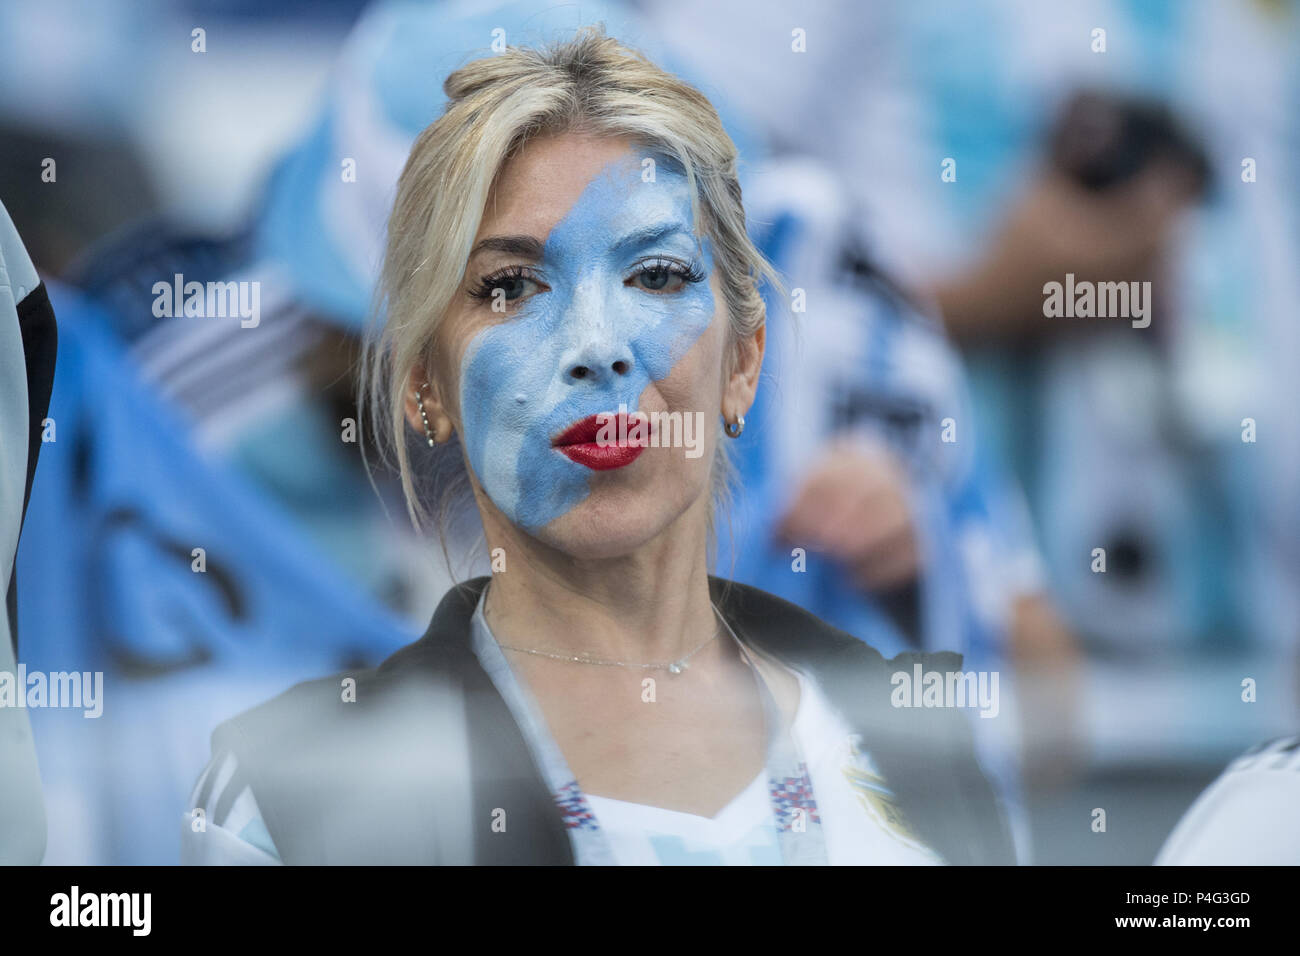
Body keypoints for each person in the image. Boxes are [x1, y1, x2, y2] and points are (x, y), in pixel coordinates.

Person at [183, 27, 1014, 866]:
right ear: (421, 383)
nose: (596, 344)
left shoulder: (911, 741)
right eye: (511, 285)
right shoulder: (293, 798)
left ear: (745, 362)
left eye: (655, 275)